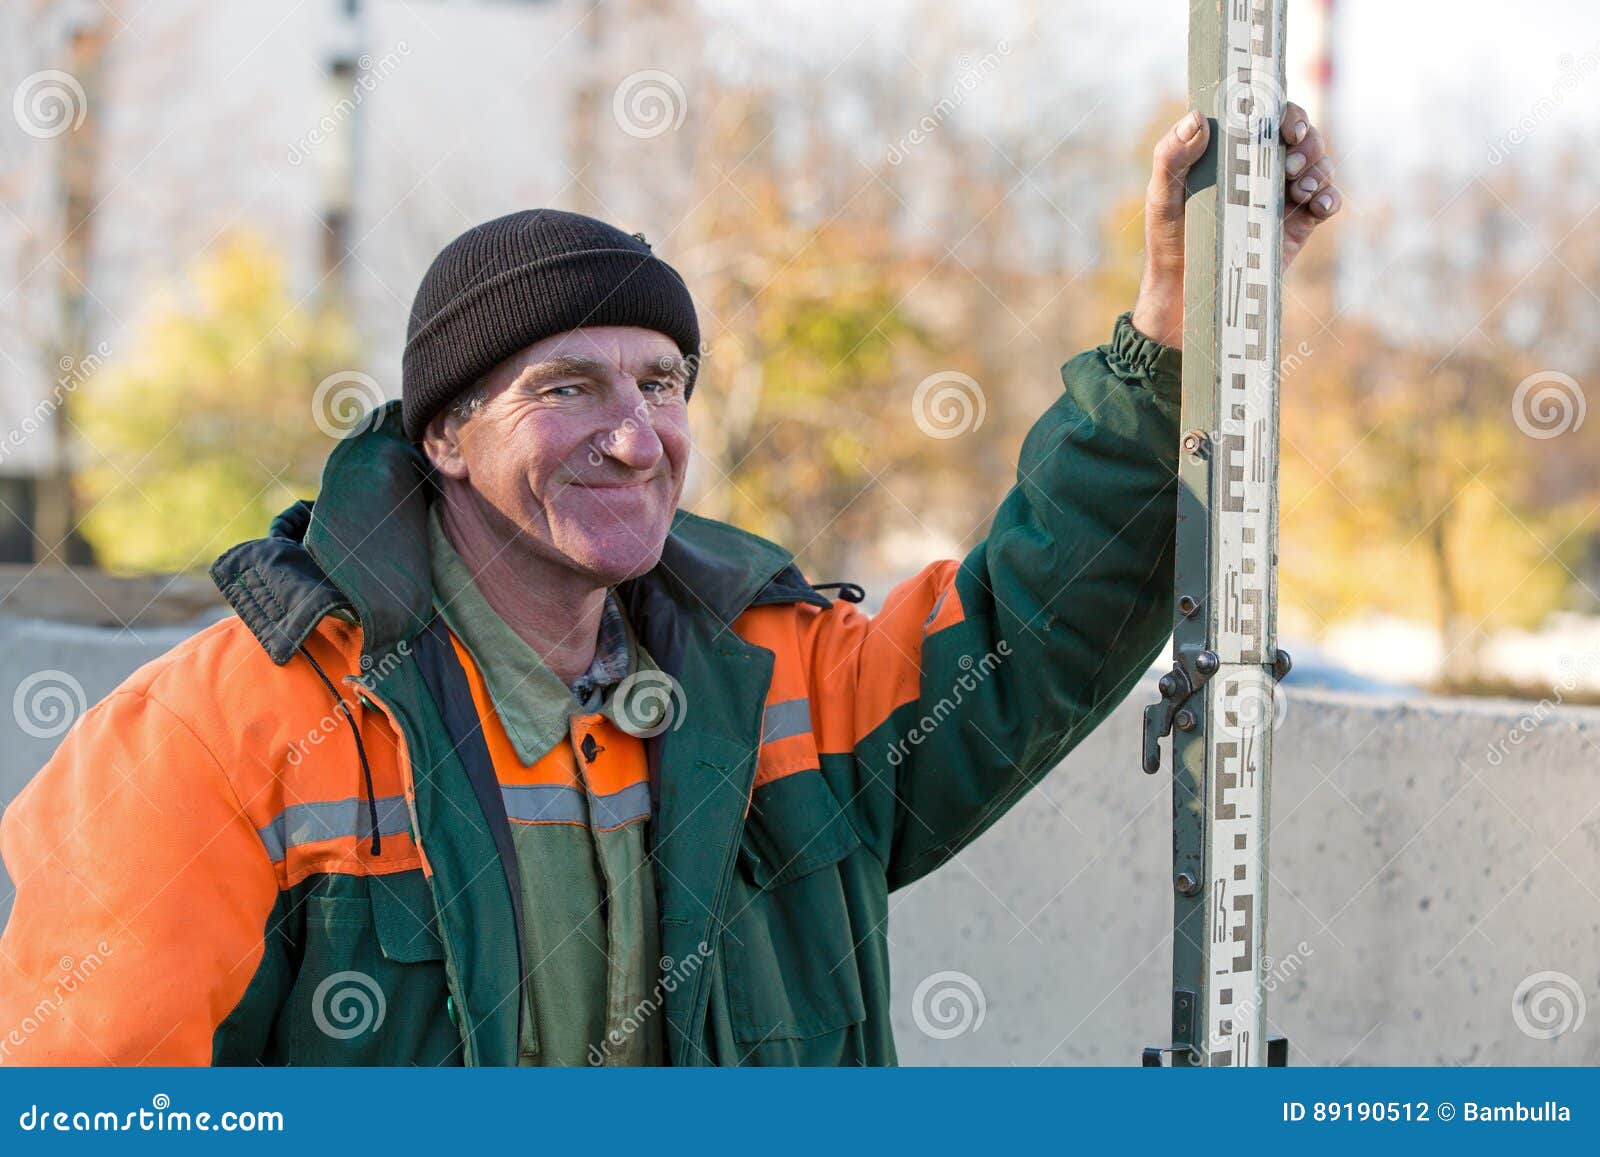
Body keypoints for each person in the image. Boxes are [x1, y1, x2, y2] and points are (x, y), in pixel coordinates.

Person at [0, 107, 1339, 1066]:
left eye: (660, 382)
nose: (634, 434)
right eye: (565, 387)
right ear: (444, 437)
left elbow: (1031, 629)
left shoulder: (781, 682)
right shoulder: (218, 733)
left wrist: (1176, 336)